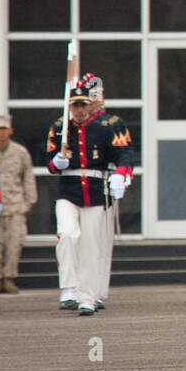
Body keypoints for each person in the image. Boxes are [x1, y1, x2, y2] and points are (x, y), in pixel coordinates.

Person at [45, 81, 131, 316]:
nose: (80, 110)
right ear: (69, 106)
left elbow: (123, 153)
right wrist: (56, 163)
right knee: (67, 234)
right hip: (68, 191)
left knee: (91, 245)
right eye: (76, 105)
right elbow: (49, 161)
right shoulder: (60, 127)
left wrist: (122, 174)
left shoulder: (104, 127)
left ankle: (88, 296)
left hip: (94, 191)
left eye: (84, 104)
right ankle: (69, 287)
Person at [80, 74, 135, 311]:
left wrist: (122, 174)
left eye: (95, 97)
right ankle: (74, 287)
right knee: (72, 237)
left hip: (104, 184)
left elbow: (125, 152)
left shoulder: (113, 123)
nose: (92, 102)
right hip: (77, 187)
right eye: (88, 97)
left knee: (100, 240)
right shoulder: (71, 124)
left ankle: (98, 289)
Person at [0, 115, 36, 294]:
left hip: (15, 203)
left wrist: (29, 201)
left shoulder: (20, 152)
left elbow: (28, 177)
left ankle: (9, 278)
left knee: (14, 242)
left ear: (11, 130)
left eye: (5, 128)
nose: (2, 132)